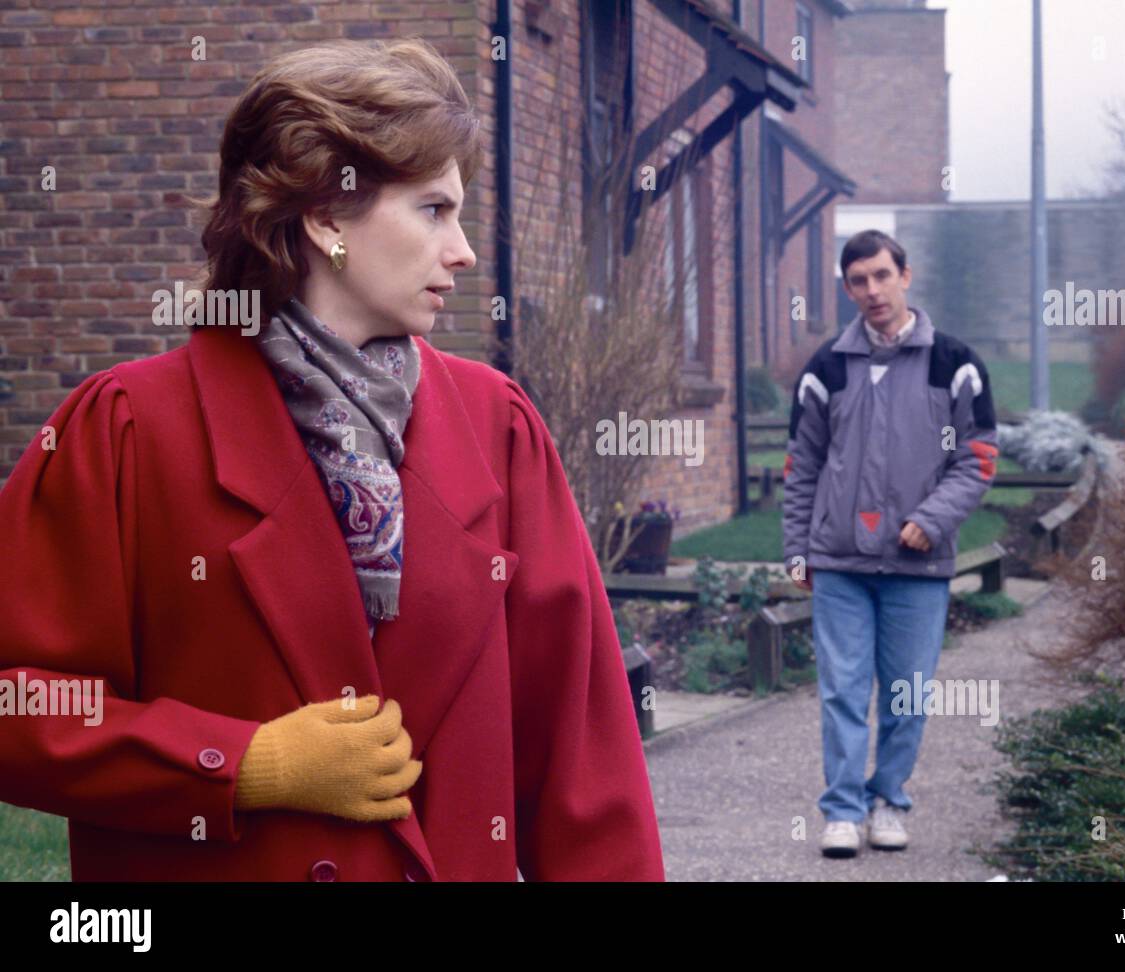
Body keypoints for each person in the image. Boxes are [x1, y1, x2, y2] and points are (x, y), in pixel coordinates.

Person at [0, 37, 664, 882]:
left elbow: (585, 761)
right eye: (433, 211)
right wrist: (240, 764)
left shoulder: (496, 426)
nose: (461, 250)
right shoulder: (126, 429)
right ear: (325, 218)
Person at [782, 230, 998, 858]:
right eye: (858, 281)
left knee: (906, 694)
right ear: (847, 288)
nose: (872, 291)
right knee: (843, 690)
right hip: (840, 562)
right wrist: (797, 549)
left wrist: (930, 521)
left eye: (882, 275)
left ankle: (890, 803)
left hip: (917, 564)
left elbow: (979, 459)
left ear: (906, 274)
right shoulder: (826, 369)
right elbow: (802, 468)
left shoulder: (953, 363)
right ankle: (843, 811)